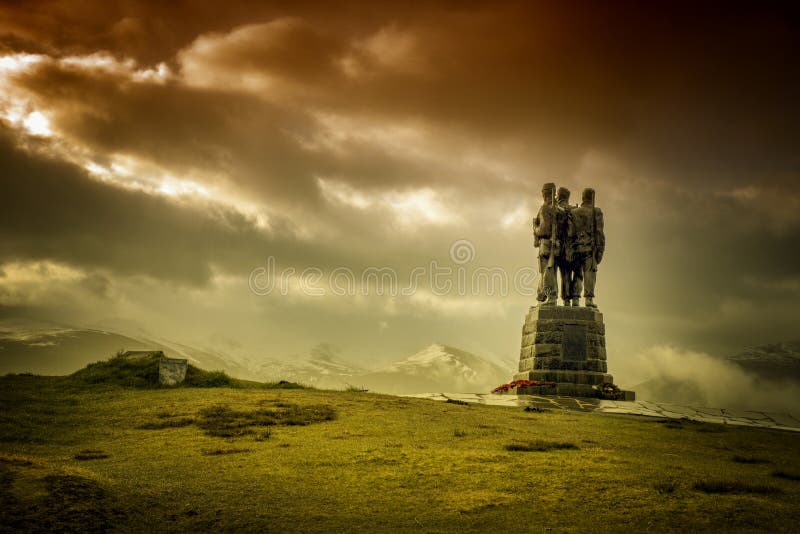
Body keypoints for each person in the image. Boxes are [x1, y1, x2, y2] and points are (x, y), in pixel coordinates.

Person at [570, 188, 605, 308]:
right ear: (592, 197)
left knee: (577, 273)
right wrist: (600, 251)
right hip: (590, 247)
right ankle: (588, 299)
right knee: (589, 273)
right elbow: (599, 233)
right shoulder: (596, 212)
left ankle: (575, 298)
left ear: (583, 197)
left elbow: (570, 232)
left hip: (576, 247)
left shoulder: (574, 212)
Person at [532, 182, 565, 305]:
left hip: (546, 244)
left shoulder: (545, 208)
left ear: (544, 193)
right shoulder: (560, 210)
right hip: (557, 245)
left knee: (547, 273)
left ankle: (551, 296)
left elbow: (543, 229)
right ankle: (544, 296)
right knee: (549, 271)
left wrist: (535, 227)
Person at [555, 186, 577, 306]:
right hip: (572, 248)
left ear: (559, 196)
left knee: (555, 273)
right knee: (569, 274)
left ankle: (555, 298)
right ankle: (570, 299)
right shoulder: (574, 210)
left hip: (558, 247)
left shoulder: (556, 209)